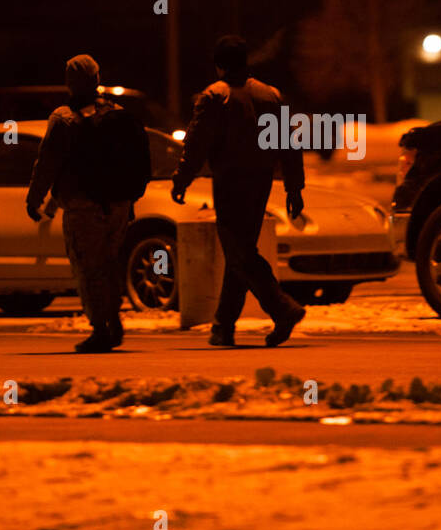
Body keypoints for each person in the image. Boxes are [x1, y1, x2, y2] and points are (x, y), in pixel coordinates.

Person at [171, 35, 306, 348]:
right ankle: (223, 326)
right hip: (260, 181)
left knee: (239, 252)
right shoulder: (271, 95)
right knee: (240, 252)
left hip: (230, 182)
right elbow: (289, 144)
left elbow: (196, 144)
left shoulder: (214, 96)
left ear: (218, 65)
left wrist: (182, 178)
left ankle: (282, 307)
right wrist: (294, 187)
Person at [26, 55, 151, 353]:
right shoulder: (118, 113)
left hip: (83, 207)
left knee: (88, 267)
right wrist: (129, 199)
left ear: (69, 82)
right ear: (97, 78)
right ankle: (112, 319)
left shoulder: (63, 118)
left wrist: (35, 198)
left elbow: (47, 163)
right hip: (119, 205)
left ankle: (101, 329)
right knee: (109, 263)